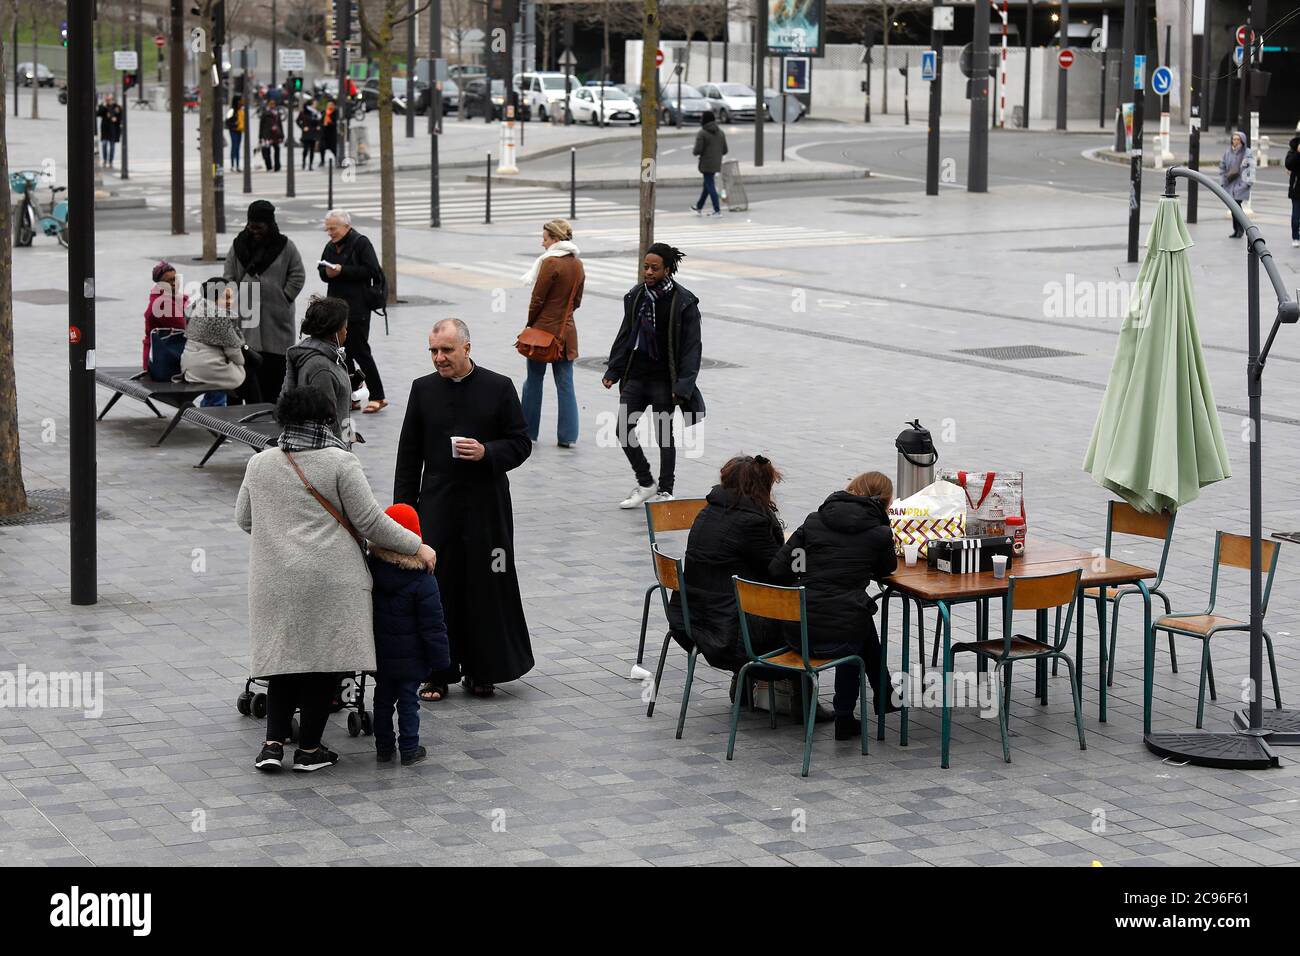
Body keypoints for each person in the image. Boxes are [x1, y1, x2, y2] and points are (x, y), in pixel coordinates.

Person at [237, 386, 437, 773]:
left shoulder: (260, 463)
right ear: (328, 420)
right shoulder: (340, 462)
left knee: (283, 660)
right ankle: (309, 750)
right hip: (331, 580)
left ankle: (272, 745)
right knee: (324, 663)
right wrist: (418, 546)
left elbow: (245, 519)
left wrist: (282, 538)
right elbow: (372, 522)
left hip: (274, 579)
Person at [393, 318, 534, 701]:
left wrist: (488, 452)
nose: (439, 358)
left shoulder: (499, 387)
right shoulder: (422, 390)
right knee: (437, 588)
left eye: (447, 351)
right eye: (434, 351)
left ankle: (483, 668)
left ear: (467, 349)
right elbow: (408, 457)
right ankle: (437, 672)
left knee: (487, 584)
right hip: (437, 507)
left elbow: (521, 443)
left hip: (487, 509)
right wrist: (404, 514)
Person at [768, 471, 899, 741]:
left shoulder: (814, 521)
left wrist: (809, 567)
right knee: (855, 623)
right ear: (885, 503)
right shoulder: (879, 534)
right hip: (839, 634)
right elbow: (887, 568)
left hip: (798, 631)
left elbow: (780, 570)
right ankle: (850, 713)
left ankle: (878, 699)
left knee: (855, 617)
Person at [664, 455, 787, 684]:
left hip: (691, 617)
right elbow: (778, 570)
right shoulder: (753, 521)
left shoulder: (708, 510)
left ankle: (749, 688)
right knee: (804, 614)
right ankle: (800, 698)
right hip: (729, 630)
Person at [602, 242, 703, 509]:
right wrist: (613, 369)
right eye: (645, 267)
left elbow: (692, 348)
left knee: (663, 434)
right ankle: (646, 482)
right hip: (636, 375)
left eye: (654, 268)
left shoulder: (683, 302)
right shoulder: (637, 296)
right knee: (623, 429)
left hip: (663, 380)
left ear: (668, 270)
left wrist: (682, 386)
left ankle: (666, 489)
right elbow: (626, 334)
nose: (648, 272)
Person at [369, 503, 450, 766]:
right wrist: (440, 662)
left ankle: (383, 748)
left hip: (380, 654)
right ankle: (409, 749)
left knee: (382, 701)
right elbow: (433, 625)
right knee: (407, 702)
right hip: (412, 657)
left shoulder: (371, 570)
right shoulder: (423, 579)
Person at [224, 200, 305, 401]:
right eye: (252, 227)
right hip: (246, 320)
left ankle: (271, 417)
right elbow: (228, 276)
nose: (255, 232)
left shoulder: (286, 246)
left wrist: (284, 296)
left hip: (276, 321)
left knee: (275, 376)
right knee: (248, 374)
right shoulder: (238, 245)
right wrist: (237, 299)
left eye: (260, 227)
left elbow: (298, 275)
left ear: (269, 224)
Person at [520, 218, 584, 447]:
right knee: (566, 384)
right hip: (566, 332)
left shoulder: (550, 263)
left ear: (556, 239)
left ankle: (527, 432)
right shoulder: (577, 263)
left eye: (545, 239)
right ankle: (567, 436)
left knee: (534, 380)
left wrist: (531, 322)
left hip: (543, 333)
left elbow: (537, 299)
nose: (542, 243)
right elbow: (577, 300)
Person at [319, 210, 386, 414]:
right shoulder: (331, 246)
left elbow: (372, 271)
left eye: (333, 228)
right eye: (327, 229)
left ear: (346, 226)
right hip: (337, 308)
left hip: (357, 308)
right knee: (343, 353)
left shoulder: (360, 242)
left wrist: (343, 270)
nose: (330, 233)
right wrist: (327, 272)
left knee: (361, 351)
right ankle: (353, 396)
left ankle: (377, 396)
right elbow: (322, 272)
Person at [282, 296, 353, 441]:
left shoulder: (320, 355)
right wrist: (343, 453)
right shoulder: (321, 368)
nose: (346, 331)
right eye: (344, 327)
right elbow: (328, 419)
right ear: (334, 332)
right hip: (329, 449)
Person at [181, 277, 262, 405]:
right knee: (248, 373)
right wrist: (242, 361)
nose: (230, 301)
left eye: (231, 297)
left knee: (243, 373)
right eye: (226, 297)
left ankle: (241, 410)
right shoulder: (219, 317)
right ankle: (256, 410)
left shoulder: (198, 307)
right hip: (205, 370)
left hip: (190, 367)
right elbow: (236, 355)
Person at [143, 260, 187, 371]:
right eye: (170, 281)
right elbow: (185, 329)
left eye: (176, 279)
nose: (175, 283)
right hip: (162, 360)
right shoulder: (163, 303)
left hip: (161, 355)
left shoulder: (168, 297)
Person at [690, 110, 727, 217]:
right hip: (716, 163)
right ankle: (699, 206)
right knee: (707, 185)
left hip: (706, 164)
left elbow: (697, 150)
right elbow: (725, 150)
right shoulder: (720, 132)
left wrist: (698, 152)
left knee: (710, 186)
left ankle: (717, 210)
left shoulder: (702, 133)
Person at [1220, 130, 1254, 239]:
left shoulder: (1247, 153)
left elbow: (1250, 169)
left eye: (1237, 139)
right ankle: (1237, 230)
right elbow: (1222, 167)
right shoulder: (1228, 152)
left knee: (1236, 207)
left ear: (1242, 141)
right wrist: (1223, 181)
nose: (1235, 141)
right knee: (1234, 208)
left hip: (1241, 185)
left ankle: (1240, 229)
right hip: (1229, 185)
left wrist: (1247, 183)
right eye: (1234, 139)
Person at [96, 93, 122, 167]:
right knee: (104, 144)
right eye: (107, 99)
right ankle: (104, 160)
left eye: (110, 99)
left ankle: (110, 161)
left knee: (112, 146)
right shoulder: (103, 106)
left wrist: (116, 119)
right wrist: (104, 106)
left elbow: (120, 117)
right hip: (104, 129)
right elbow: (97, 114)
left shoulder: (116, 107)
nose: (109, 101)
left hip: (113, 130)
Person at [259, 103, 285, 172]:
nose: (272, 105)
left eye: (273, 104)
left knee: (277, 149)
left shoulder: (277, 114)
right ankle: (269, 166)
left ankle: (277, 166)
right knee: (267, 151)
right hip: (267, 135)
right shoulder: (265, 114)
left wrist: (282, 135)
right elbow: (261, 126)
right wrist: (260, 137)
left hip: (276, 135)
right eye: (271, 104)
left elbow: (280, 125)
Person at [297, 98, 321, 170]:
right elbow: (298, 121)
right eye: (314, 103)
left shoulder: (316, 113)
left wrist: (318, 126)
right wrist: (303, 127)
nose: (316, 105)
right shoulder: (304, 112)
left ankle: (310, 165)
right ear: (311, 104)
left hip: (313, 133)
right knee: (305, 150)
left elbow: (319, 122)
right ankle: (303, 163)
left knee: (312, 150)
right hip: (306, 133)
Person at [1285, 126, 1300, 248]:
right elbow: (1288, 164)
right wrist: (1298, 153)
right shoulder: (1293, 150)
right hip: (1297, 189)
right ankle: (1295, 237)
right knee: (1296, 215)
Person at [227, 95, 246, 171]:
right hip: (233, 130)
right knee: (234, 146)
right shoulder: (231, 110)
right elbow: (227, 122)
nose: (241, 102)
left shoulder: (241, 110)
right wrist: (234, 124)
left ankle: (237, 165)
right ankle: (232, 165)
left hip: (240, 130)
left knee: (238, 147)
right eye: (240, 100)